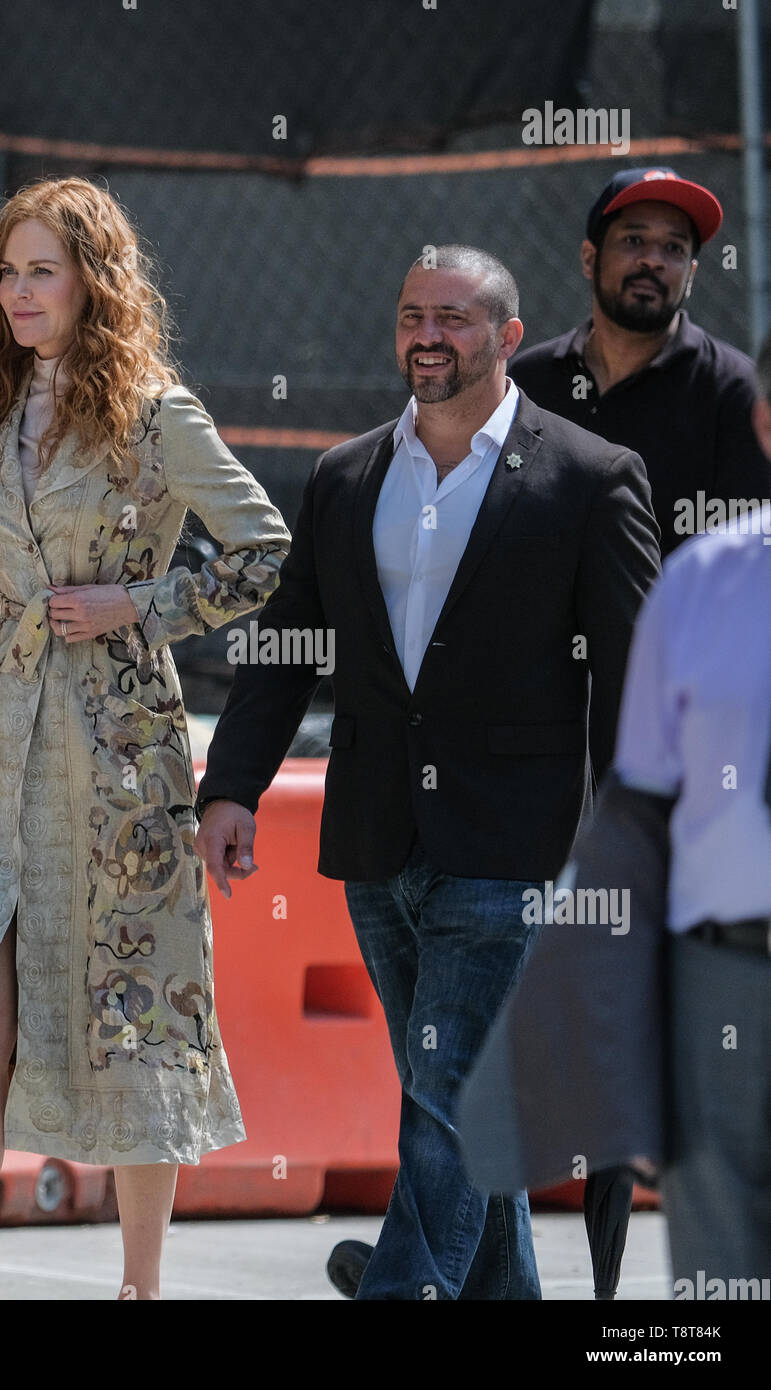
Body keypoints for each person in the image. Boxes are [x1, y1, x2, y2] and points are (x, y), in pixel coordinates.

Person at [193, 245, 661, 1300]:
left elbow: (638, 677)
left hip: (512, 844)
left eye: (453, 317)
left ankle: (401, 1288)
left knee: (445, 1092)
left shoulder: (588, 478)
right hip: (375, 836)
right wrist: (232, 783)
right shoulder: (345, 473)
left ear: (505, 336)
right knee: (451, 1085)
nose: (427, 335)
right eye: (412, 314)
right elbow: (288, 640)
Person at [0, 176, 291, 1300]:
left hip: (117, 760)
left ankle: (141, 1287)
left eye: (41, 269)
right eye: (6, 271)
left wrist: (141, 604)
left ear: (93, 280)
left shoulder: (158, 412)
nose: (16, 291)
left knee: (135, 1007)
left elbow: (264, 549)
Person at [607, 330, 771, 1293]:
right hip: (721, 981)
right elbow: (638, 820)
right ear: (762, 420)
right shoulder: (700, 584)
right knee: (717, 1278)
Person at [511, 166, 771, 558]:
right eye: (634, 240)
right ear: (589, 258)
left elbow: (748, 559)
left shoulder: (736, 391)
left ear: (691, 274)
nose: (653, 261)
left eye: (674, 248)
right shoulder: (526, 382)